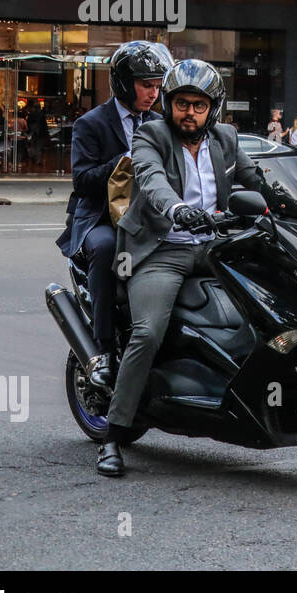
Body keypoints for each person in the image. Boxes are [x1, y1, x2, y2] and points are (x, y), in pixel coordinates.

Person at [96, 59, 273, 477]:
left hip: (217, 247)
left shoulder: (227, 139)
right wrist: (178, 209)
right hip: (162, 250)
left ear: (213, 107)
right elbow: (151, 180)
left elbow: (260, 181)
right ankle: (114, 435)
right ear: (169, 106)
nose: (188, 112)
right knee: (148, 332)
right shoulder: (150, 136)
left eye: (198, 105)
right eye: (181, 103)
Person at [56, 40, 173, 391]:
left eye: (157, 86)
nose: (153, 93)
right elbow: (84, 181)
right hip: (98, 218)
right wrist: (127, 159)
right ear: (123, 82)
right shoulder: (91, 124)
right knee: (108, 250)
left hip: (147, 217)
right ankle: (104, 349)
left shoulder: (159, 123)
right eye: (146, 85)